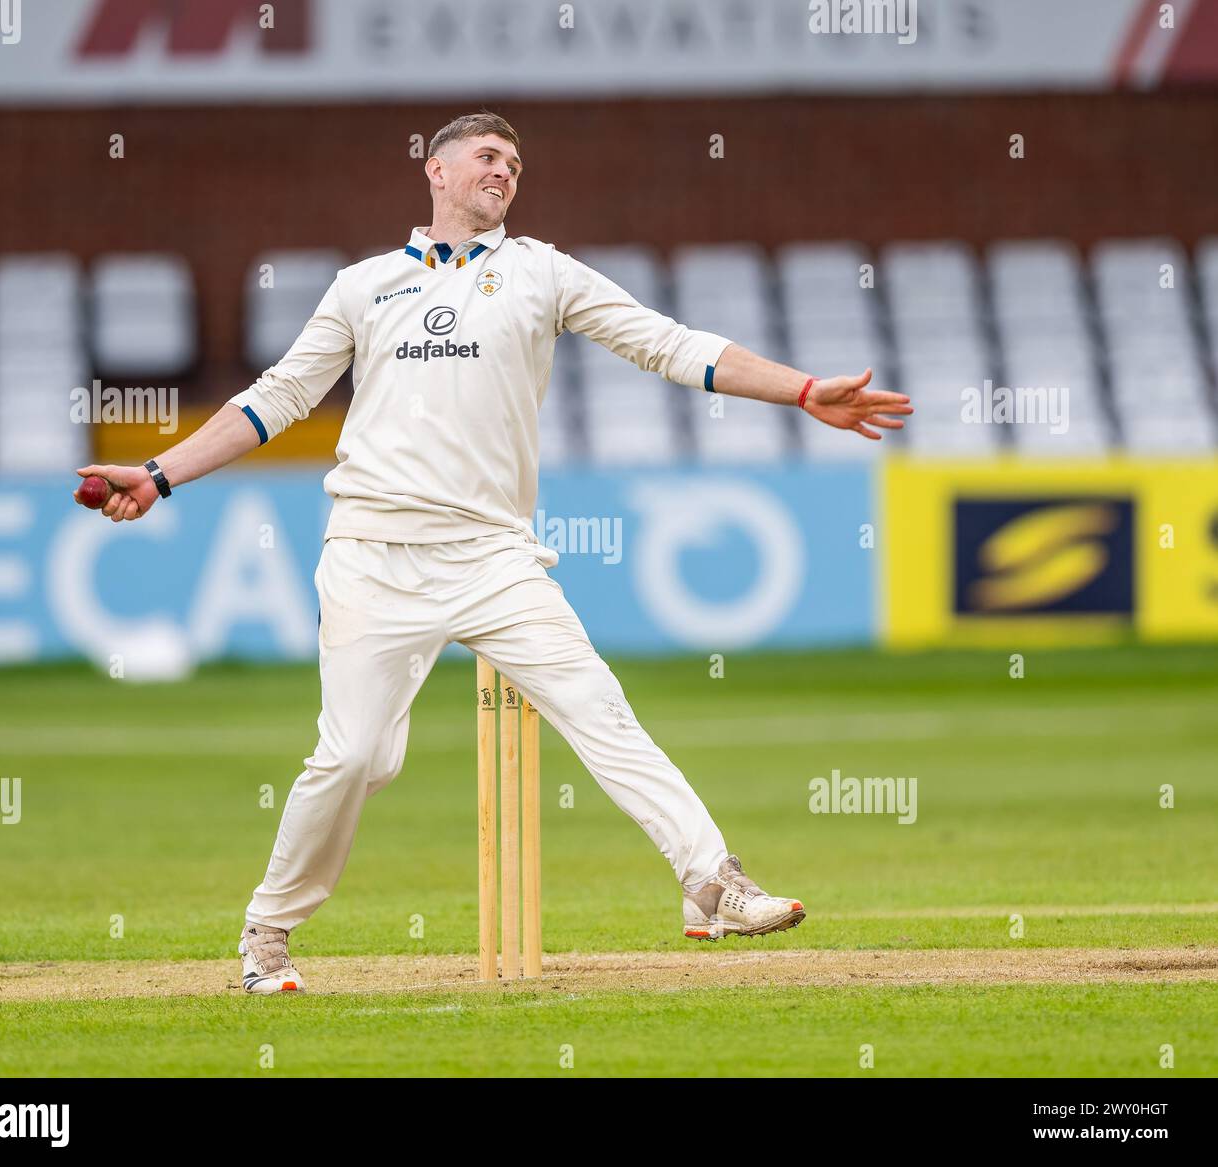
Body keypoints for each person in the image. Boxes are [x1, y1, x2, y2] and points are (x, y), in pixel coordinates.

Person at [75, 112, 912, 994]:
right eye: (486, 157)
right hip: (372, 550)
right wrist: (160, 474)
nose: (503, 171)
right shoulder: (366, 286)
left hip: (493, 555)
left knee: (598, 703)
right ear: (435, 170)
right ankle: (270, 929)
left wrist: (806, 390)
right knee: (357, 756)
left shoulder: (541, 272)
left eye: (514, 163)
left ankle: (712, 880)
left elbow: (669, 344)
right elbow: (276, 397)